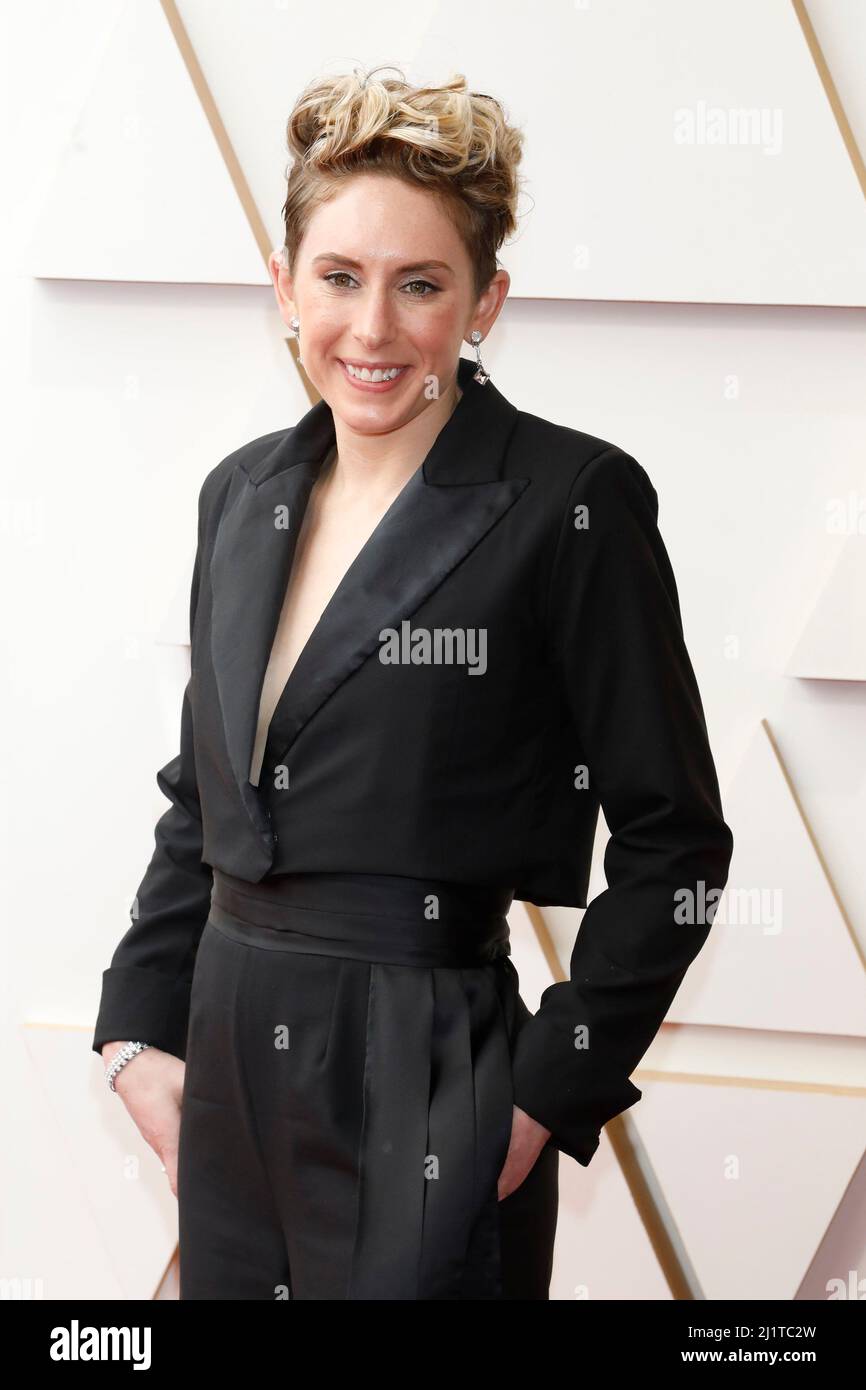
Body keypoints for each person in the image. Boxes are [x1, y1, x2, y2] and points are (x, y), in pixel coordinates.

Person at [92, 66, 733, 1301]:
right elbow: (205, 796)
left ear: (484, 301)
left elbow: (677, 846)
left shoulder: (571, 502)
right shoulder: (239, 495)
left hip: (426, 1068)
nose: (372, 331)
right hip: (226, 1060)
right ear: (284, 286)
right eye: (338, 278)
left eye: (420, 284)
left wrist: (538, 1101)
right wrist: (135, 1034)